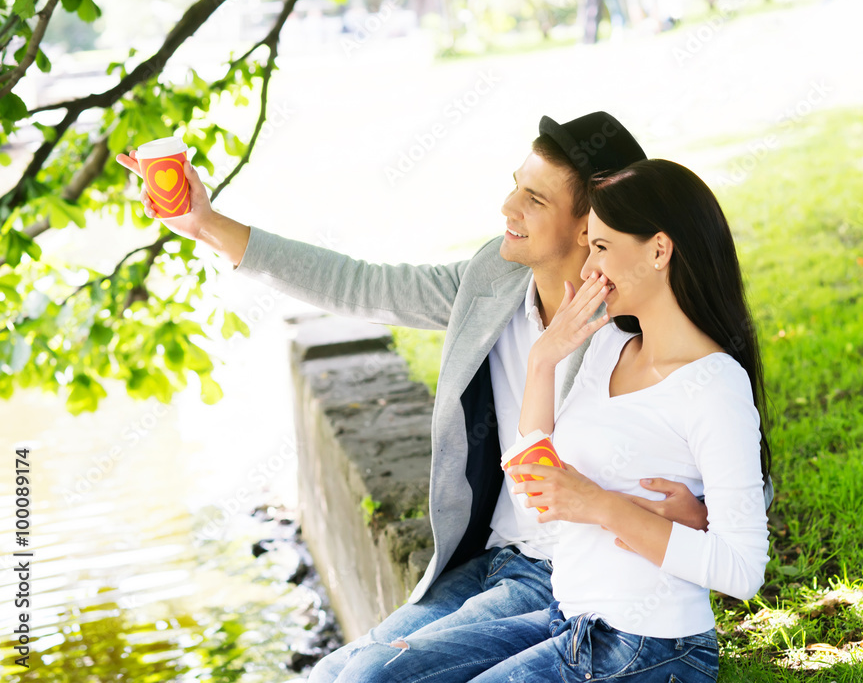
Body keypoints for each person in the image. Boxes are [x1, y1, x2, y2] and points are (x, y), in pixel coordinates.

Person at [115, 115, 739, 681]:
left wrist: (703, 509)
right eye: (515, 185)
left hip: (571, 583)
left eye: (534, 198)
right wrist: (205, 224)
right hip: (493, 558)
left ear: (590, 223)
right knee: (335, 673)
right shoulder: (492, 278)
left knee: (367, 679)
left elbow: (721, 422)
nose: (507, 206)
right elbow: (364, 285)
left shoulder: (627, 319)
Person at [331, 158, 772, 683]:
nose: (588, 269)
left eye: (603, 249)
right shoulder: (608, 350)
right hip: (570, 621)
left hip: (656, 648)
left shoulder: (714, 384)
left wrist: (603, 506)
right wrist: (542, 361)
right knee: (369, 676)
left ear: (658, 250)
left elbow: (742, 569)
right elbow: (533, 500)